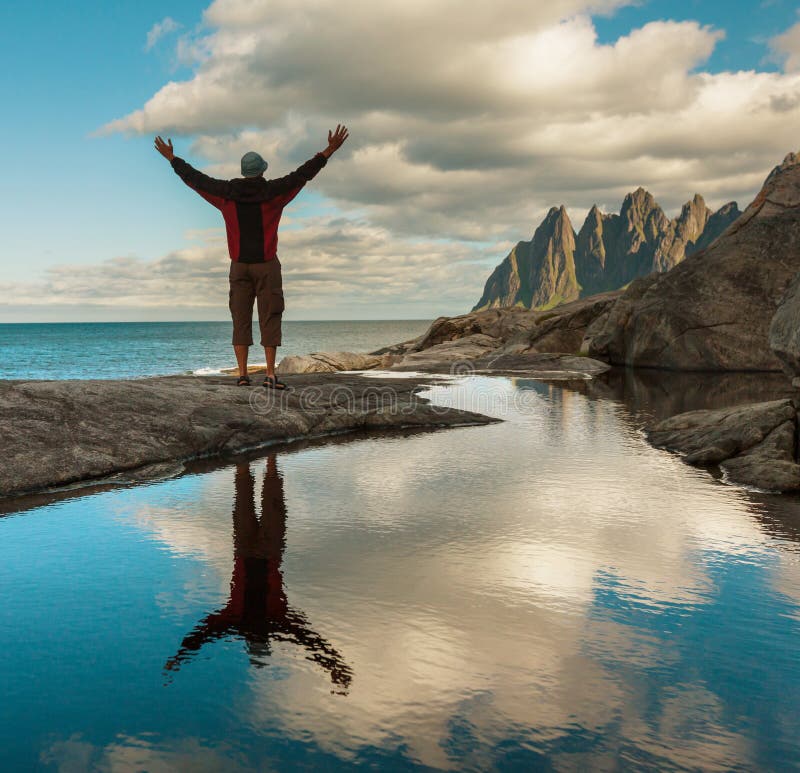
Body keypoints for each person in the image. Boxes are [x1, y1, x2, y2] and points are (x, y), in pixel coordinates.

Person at [154, 125, 349, 389]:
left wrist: (172, 159)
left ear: (244, 172)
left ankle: (242, 375)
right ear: (263, 171)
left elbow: (196, 180)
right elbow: (302, 175)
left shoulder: (226, 195)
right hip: (267, 266)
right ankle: (269, 374)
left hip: (239, 267)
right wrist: (328, 151)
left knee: (240, 318)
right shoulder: (274, 194)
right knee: (270, 317)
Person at [164, 456, 353, 692]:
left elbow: (202, 636)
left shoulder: (238, 621)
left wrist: (180, 658)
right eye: (260, 641)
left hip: (247, 551)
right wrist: (333, 665)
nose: (257, 636)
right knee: (265, 497)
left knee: (246, 497)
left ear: (250, 642)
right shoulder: (275, 621)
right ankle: (269, 457)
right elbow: (309, 640)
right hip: (266, 551)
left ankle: (252, 459)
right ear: (264, 641)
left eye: (255, 641)